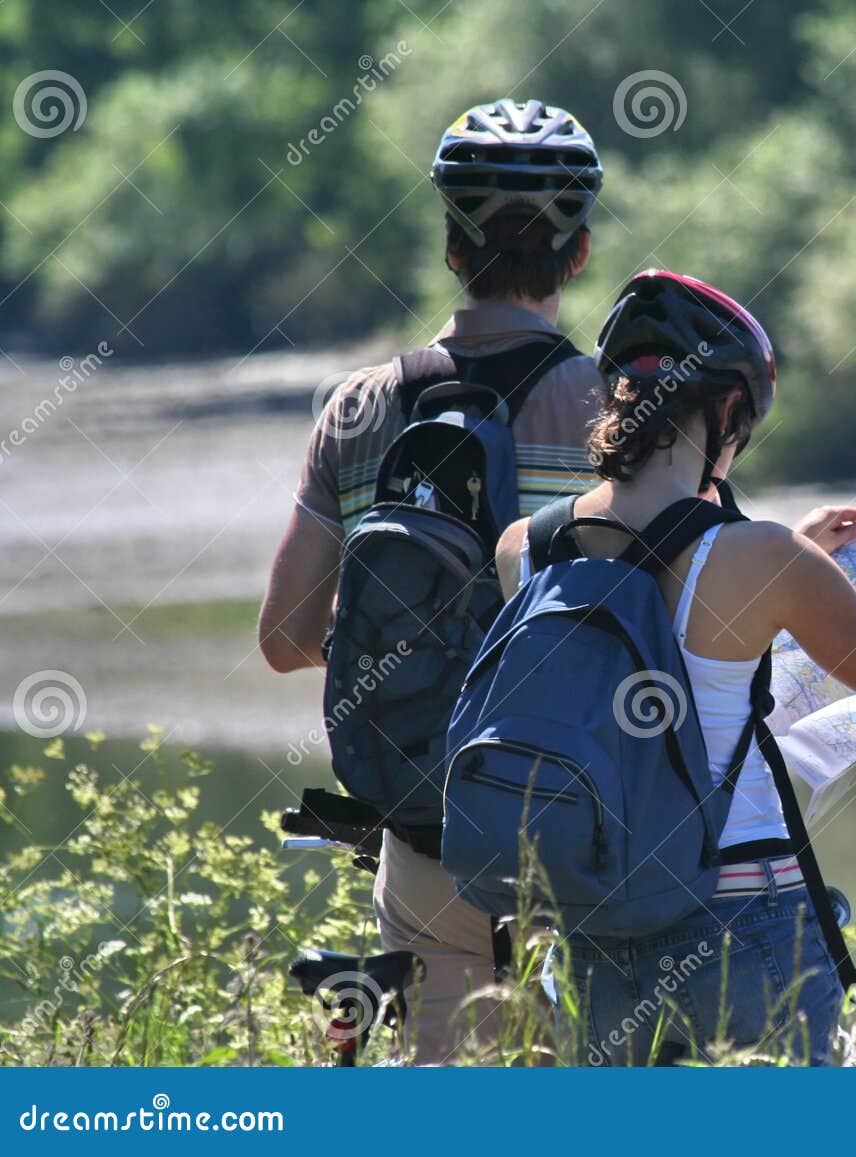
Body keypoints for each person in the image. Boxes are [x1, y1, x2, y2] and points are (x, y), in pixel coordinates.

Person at [493, 270, 856, 1065]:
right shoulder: (764, 560)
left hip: (598, 928)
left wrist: (784, 552)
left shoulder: (523, 548)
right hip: (744, 922)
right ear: (729, 409)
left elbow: (639, 636)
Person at [258, 99, 609, 1064]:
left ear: (452, 243)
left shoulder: (362, 406)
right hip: (593, 831)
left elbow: (285, 637)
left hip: (423, 829)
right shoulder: (622, 408)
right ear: (577, 255)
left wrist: (408, 644)